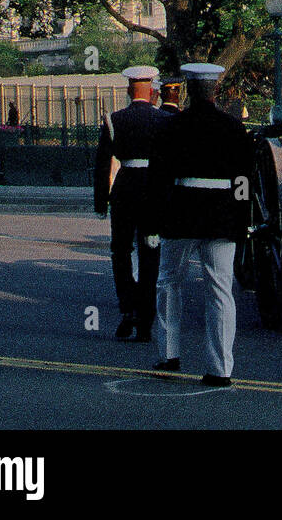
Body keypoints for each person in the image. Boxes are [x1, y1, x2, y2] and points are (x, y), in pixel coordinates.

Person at [145, 62, 255, 387]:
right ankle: (220, 368)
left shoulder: (171, 127)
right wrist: (240, 218)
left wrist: (156, 217)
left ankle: (169, 352)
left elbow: (158, 179)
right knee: (220, 290)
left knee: (168, 282)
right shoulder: (235, 129)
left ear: (188, 92)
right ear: (216, 90)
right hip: (222, 216)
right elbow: (244, 181)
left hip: (181, 213)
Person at [94, 65, 170, 342]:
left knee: (121, 251)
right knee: (151, 252)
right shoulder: (163, 119)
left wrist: (101, 201)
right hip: (152, 190)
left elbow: (104, 164)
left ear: (128, 90)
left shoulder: (115, 119)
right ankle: (146, 316)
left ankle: (128, 308)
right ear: (151, 91)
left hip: (125, 189)